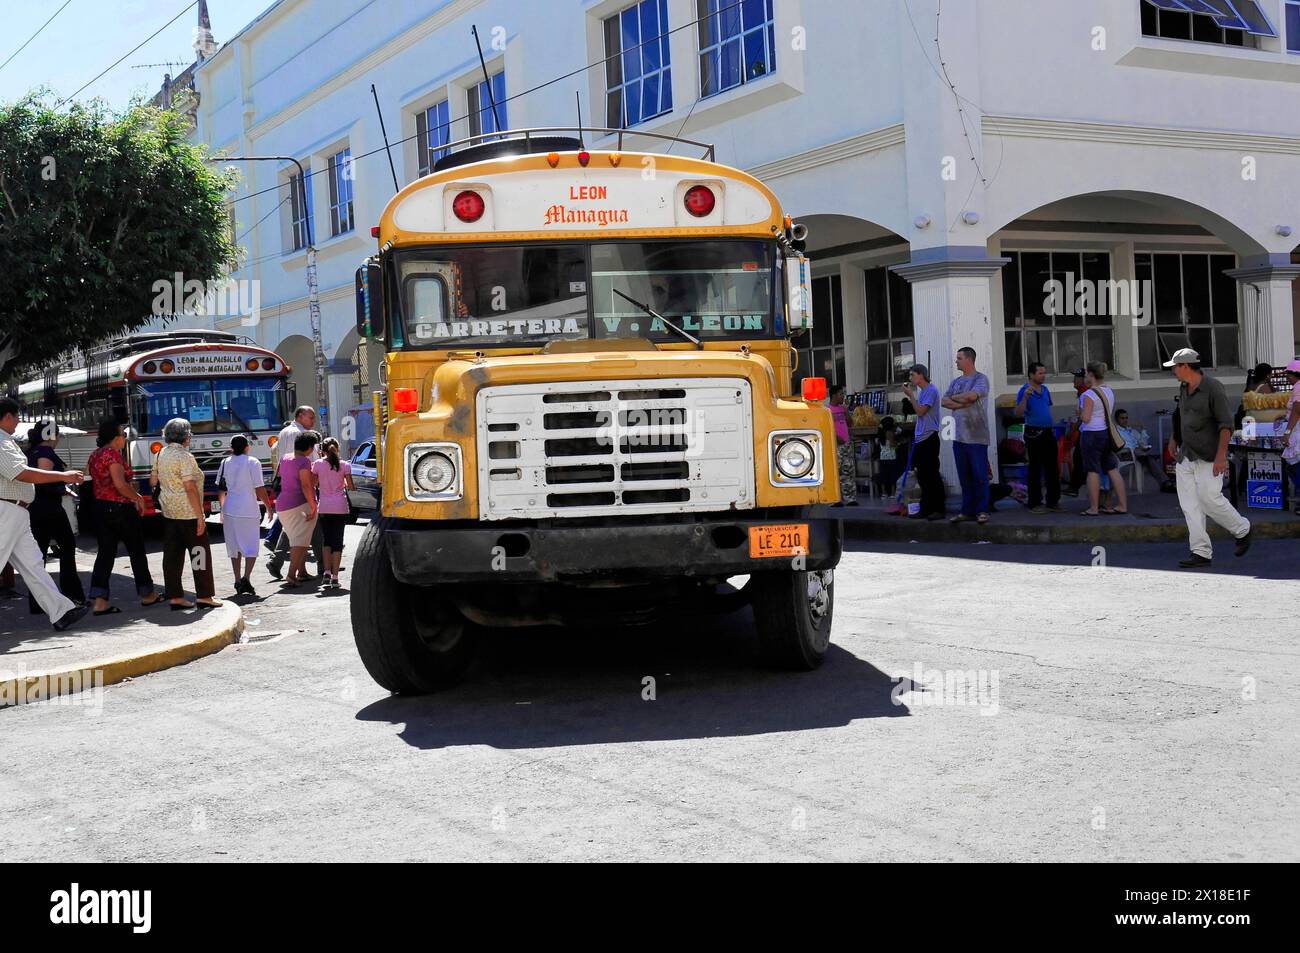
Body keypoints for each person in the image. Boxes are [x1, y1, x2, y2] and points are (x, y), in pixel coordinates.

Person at [0, 397, 89, 631]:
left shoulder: (6, 441)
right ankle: (61, 611)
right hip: (6, 509)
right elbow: (21, 473)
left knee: (34, 566)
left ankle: (61, 612)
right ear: (7, 416)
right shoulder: (1, 442)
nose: (18, 421)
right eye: (17, 416)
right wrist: (64, 476)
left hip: (17, 511)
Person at [1163, 348, 1251, 568]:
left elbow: (1226, 425)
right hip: (1187, 455)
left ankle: (1242, 529)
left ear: (1185, 366)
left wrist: (1221, 457)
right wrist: (1174, 438)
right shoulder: (1183, 387)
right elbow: (1181, 415)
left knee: (1209, 498)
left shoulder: (1213, 388)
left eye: (1175, 366)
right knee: (1189, 505)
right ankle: (1200, 552)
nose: (1173, 370)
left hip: (1209, 455)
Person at [86, 418, 163, 615]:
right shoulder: (112, 456)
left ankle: (100, 600)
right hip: (120, 509)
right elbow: (119, 485)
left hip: (101, 507)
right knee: (136, 551)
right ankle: (147, 594)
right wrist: (137, 497)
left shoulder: (95, 455)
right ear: (115, 437)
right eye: (123, 434)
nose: (125, 438)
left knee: (105, 554)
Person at [155, 418, 221, 609]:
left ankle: (175, 596)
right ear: (185, 436)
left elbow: (154, 481)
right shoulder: (185, 456)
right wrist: (201, 516)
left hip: (169, 511)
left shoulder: (161, 453)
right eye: (190, 433)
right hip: (188, 512)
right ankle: (204, 595)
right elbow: (190, 487)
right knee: (199, 553)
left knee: (172, 556)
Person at [24, 420, 86, 613]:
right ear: (52, 435)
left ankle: (38, 603)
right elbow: (44, 479)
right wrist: (62, 486)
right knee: (67, 548)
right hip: (49, 509)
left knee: (38, 555)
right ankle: (72, 596)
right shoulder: (45, 453)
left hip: (34, 508)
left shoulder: (30, 452)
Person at [217, 435, 273, 596]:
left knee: (234, 547)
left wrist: (222, 508)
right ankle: (246, 577)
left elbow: (221, 488)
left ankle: (237, 579)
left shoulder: (224, 462)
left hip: (230, 508)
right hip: (248, 508)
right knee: (250, 546)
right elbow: (260, 488)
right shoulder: (253, 462)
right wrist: (268, 507)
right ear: (247, 446)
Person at [941, 347, 992, 524]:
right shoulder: (956, 382)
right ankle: (967, 511)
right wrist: (962, 401)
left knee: (979, 475)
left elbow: (972, 396)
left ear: (969, 359)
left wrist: (957, 400)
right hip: (958, 436)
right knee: (964, 476)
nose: (956, 361)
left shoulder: (981, 379)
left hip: (976, 436)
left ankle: (982, 510)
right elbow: (944, 401)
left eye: (959, 358)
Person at [1078, 362, 1128, 517]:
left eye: (1086, 374)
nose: (1085, 377)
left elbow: (1085, 418)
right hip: (1106, 433)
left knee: (1092, 470)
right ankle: (1122, 505)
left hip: (1091, 434)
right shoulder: (1108, 391)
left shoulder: (1088, 395)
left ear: (1091, 375)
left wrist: (1079, 412)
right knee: (1112, 468)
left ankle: (1093, 508)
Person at [265, 406, 317, 553]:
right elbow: (304, 458)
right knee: (298, 516)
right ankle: (279, 547)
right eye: (311, 417)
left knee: (290, 515)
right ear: (300, 416)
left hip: (286, 476)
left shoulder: (284, 431)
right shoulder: (299, 433)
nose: (313, 421)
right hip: (299, 477)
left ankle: (274, 542)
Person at [1015, 362, 1060, 514]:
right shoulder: (1024, 391)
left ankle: (1053, 501)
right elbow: (1018, 413)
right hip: (1034, 433)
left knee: (1052, 467)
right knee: (1035, 467)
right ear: (1031, 375)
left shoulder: (1045, 390)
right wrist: (1025, 399)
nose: (1043, 375)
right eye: (1040, 373)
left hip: (1048, 431)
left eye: (1044, 373)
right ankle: (1034, 502)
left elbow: (1047, 409)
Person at [276, 431, 320, 587]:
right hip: (299, 503)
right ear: (308, 447)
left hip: (282, 503)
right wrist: (314, 505)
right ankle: (291, 575)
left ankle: (301, 572)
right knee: (300, 542)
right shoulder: (304, 461)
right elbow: (306, 485)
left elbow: (285, 477)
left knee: (297, 539)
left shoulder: (285, 458)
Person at [900, 364, 944, 520]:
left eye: (912, 375)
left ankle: (938, 508)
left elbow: (920, 411)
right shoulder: (924, 392)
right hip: (921, 438)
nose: (911, 378)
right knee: (923, 476)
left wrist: (911, 396)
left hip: (929, 438)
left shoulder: (931, 391)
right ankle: (926, 508)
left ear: (921, 375)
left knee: (932, 475)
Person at [311, 437, 354, 590]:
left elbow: (313, 484)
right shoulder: (344, 465)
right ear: (337, 448)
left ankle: (326, 572)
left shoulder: (317, 464)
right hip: (340, 507)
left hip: (325, 507)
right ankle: (335, 577)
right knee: (338, 542)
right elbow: (351, 486)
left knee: (326, 541)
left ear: (322, 450)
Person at [1115, 409, 1174, 491]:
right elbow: (1120, 445)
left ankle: (1165, 482)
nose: (1125, 420)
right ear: (1117, 419)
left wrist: (1143, 429)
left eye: (1126, 418)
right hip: (1125, 454)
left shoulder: (1131, 430)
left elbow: (1143, 442)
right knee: (1149, 459)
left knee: (1148, 458)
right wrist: (1136, 449)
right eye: (1122, 418)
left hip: (1137, 453)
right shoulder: (1116, 431)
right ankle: (1165, 482)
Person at [828, 386, 857, 505]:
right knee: (836, 472)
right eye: (841, 394)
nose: (843, 396)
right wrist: (836, 438)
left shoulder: (843, 409)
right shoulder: (827, 410)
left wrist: (846, 411)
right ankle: (835, 499)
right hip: (836, 445)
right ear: (834, 395)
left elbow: (850, 423)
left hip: (846, 444)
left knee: (848, 471)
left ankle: (850, 498)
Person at [1279, 359, 1300, 516]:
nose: (1287, 377)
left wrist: (1287, 433)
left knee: (1294, 466)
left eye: (1288, 374)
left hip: (1296, 431)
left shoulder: (1299, 387)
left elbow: (1297, 411)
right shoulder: (1297, 387)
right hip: (1295, 429)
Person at [874, 417, 902, 497]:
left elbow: (877, 444)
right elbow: (892, 444)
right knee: (892, 476)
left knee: (884, 476)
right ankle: (893, 493)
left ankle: (884, 493)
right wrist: (898, 444)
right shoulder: (890, 433)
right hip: (891, 457)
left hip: (883, 458)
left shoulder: (881, 433)